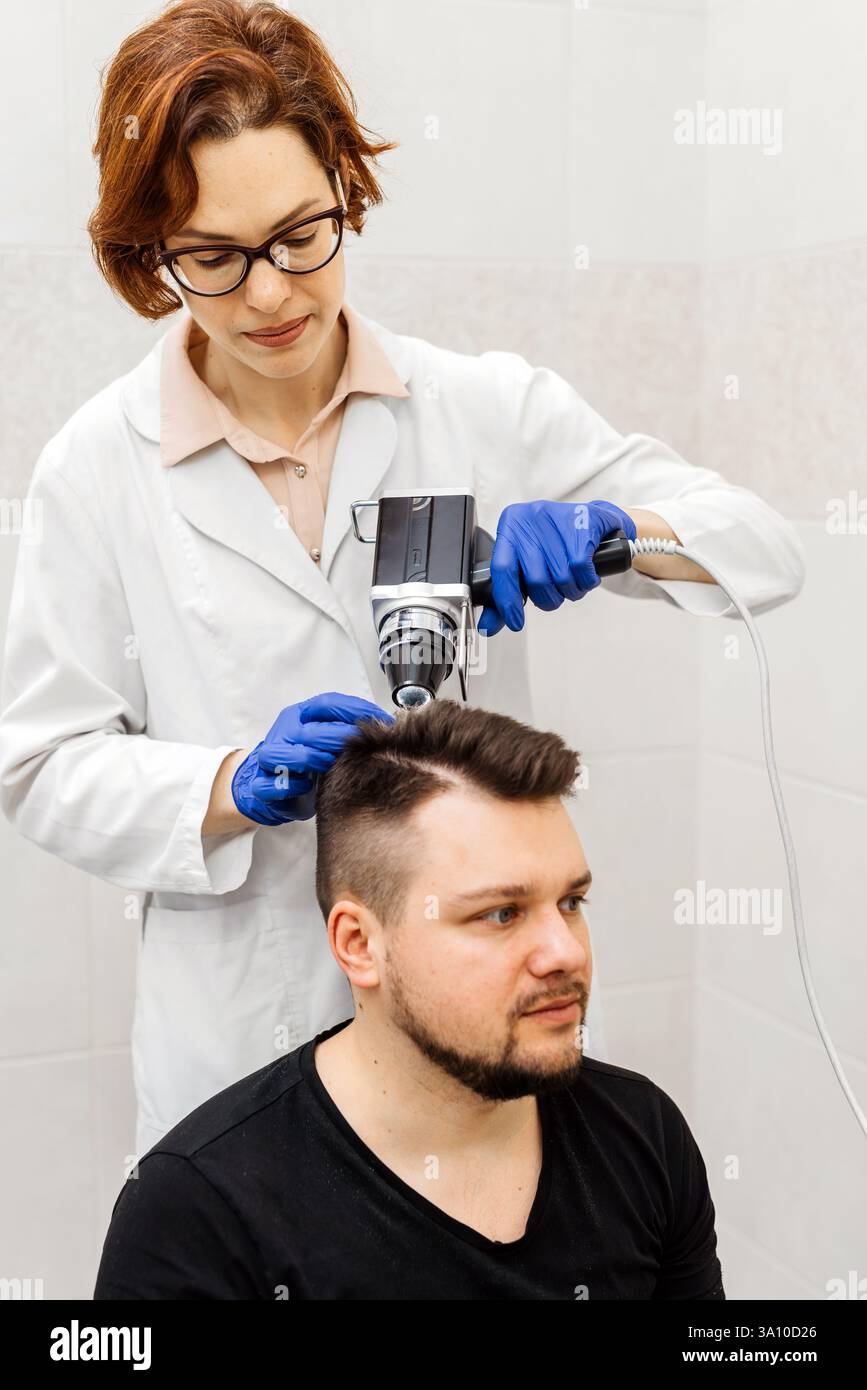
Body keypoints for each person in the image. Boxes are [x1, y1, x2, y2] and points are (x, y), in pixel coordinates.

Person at [0, 0, 805, 1158]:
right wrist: (228, 783)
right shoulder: (94, 468)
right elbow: (40, 765)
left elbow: (763, 548)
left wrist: (618, 528)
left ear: (343, 185)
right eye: (213, 259)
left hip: (473, 1027)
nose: (270, 294)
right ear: (152, 254)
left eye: (299, 235)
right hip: (242, 1035)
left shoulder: (480, 407)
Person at [93, 700, 725, 1300]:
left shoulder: (642, 1134)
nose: (565, 952)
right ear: (359, 944)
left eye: (571, 903)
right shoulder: (199, 1211)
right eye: (502, 913)